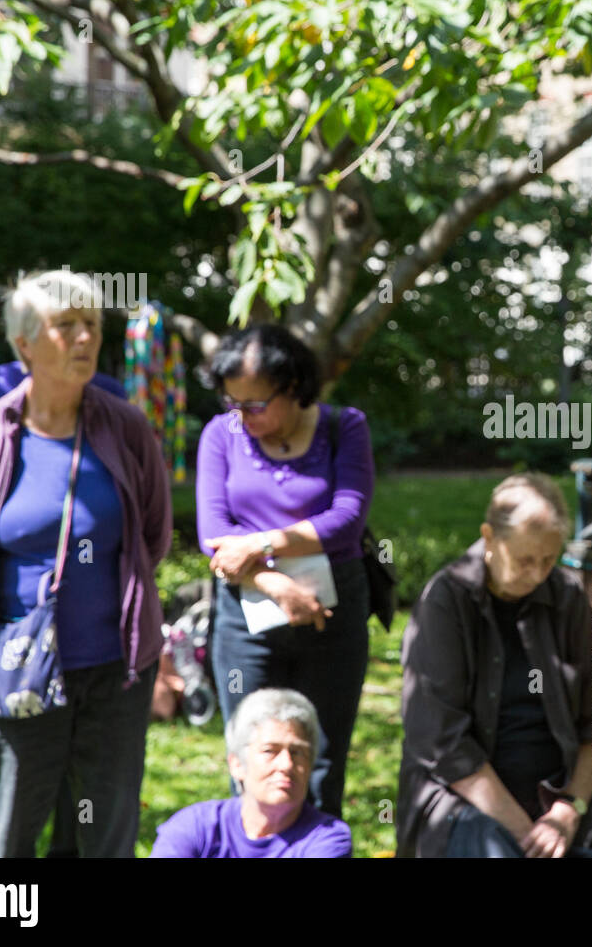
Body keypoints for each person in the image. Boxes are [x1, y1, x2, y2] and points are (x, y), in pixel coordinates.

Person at [0, 270, 171, 857]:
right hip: (16, 668)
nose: (84, 338)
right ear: (25, 345)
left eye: (92, 324)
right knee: (8, 830)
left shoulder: (128, 428)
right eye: (66, 326)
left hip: (115, 668)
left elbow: (153, 535)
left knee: (103, 831)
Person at [397, 473, 592, 858]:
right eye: (525, 560)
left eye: (548, 560)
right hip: (464, 798)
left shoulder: (567, 598)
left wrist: (568, 810)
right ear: (489, 537)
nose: (538, 573)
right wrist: (527, 834)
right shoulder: (446, 602)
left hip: (562, 796)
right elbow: (444, 743)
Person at [197, 323, 373, 821]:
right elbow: (215, 534)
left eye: (255, 404)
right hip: (244, 619)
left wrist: (258, 542)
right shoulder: (221, 435)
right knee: (251, 756)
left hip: (332, 616)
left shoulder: (345, 427)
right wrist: (275, 584)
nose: (243, 415)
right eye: (234, 402)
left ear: (293, 387)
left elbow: (345, 520)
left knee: (319, 760)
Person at [150, 688, 352, 858]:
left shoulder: (328, 839)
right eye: (269, 751)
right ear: (236, 764)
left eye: (297, 752)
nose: (286, 764)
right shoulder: (194, 827)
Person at [0, 358, 128, 409]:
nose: (84, 336)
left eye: (90, 324)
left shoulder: (111, 393)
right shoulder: (3, 381)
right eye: (64, 324)